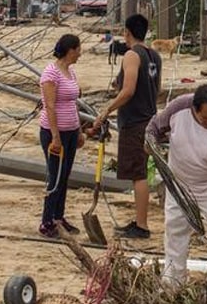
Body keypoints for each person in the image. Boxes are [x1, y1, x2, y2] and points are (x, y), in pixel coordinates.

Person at [145, 83, 207, 285]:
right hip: (178, 185)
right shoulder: (178, 108)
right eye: (205, 118)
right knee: (175, 234)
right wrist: (150, 141)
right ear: (194, 109)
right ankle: (173, 284)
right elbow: (154, 127)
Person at [93, 14, 161, 239]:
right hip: (149, 118)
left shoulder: (132, 55)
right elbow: (155, 88)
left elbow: (129, 90)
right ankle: (139, 221)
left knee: (138, 174)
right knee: (141, 171)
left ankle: (141, 225)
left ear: (127, 32)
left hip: (134, 122)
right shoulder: (154, 55)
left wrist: (107, 110)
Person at [38, 33, 85, 238]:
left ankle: (59, 217)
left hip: (71, 131)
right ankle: (46, 221)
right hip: (53, 132)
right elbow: (49, 105)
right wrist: (55, 136)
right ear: (70, 50)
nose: (80, 54)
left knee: (65, 176)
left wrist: (79, 131)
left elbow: (73, 103)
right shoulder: (51, 73)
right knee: (55, 176)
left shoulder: (71, 72)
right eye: (78, 50)